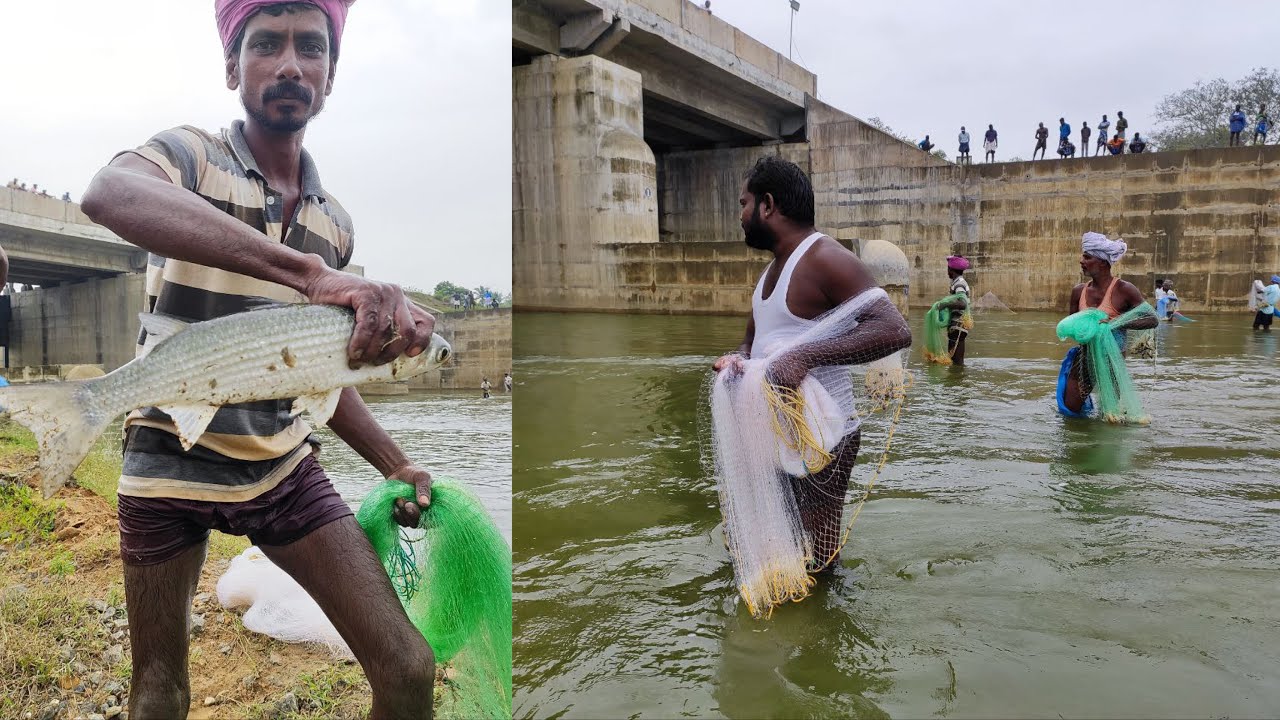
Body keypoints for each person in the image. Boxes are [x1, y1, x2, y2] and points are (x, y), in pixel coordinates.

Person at [77, 2, 437, 717]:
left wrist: (394, 463)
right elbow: (107, 193)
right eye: (266, 44)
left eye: (311, 48)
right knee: (158, 694)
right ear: (231, 66)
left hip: (281, 469)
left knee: (408, 670)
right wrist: (310, 275)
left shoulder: (335, 223)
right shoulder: (189, 156)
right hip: (166, 459)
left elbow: (320, 367)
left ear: (330, 75)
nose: (290, 65)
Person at [712, 156, 911, 572]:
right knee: (785, 544)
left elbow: (893, 329)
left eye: (744, 203)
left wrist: (805, 356)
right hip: (779, 429)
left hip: (825, 434)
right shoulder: (770, 273)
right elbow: (752, 343)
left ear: (768, 205)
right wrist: (738, 361)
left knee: (818, 557)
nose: (741, 215)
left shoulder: (824, 257)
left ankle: (828, 609)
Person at [1059, 232, 1158, 417]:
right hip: (1084, 360)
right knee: (1070, 413)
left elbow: (1152, 319)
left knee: (1109, 417)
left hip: (1112, 362)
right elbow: (1073, 326)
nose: (1081, 261)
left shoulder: (1124, 289)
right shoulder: (1078, 291)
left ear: (1103, 262)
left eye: (1087, 257)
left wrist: (1116, 323)